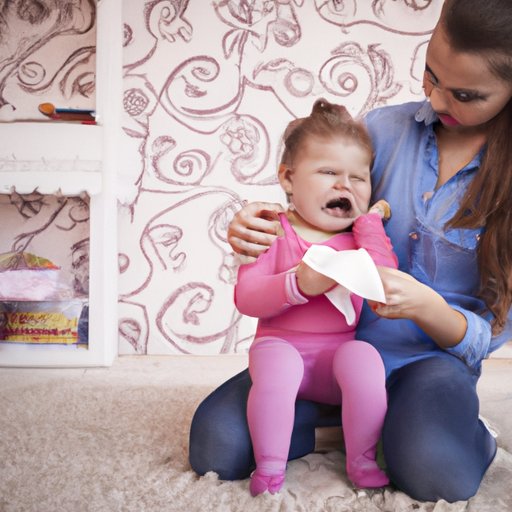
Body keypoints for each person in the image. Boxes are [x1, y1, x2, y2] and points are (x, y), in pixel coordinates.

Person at [189, 0, 512, 502]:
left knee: (437, 474)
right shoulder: (383, 129)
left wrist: (428, 308)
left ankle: (449, 429)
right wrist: (254, 224)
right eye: (430, 74)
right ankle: (351, 424)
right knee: (218, 446)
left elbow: (489, 331)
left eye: (465, 94)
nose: (435, 99)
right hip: (331, 349)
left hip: (427, 362)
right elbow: (320, 206)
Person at [235, 99, 398, 496]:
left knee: (365, 360)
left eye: (358, 178)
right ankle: (270, 467)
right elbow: (247, 297)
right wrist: (298, 284)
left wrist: (369, 224)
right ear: (288, 178)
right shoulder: (272, 229)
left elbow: (384, 282)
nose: (344, 185)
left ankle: (361, 460)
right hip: (280, 345)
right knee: (278, 369)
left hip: (335, 355)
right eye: (328, 172)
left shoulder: (358, 239)